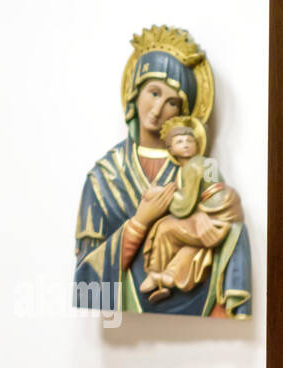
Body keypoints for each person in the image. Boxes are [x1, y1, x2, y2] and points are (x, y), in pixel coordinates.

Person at [72, 26, 252, 318]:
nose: (157, 109)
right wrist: (140, 222)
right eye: (153, 93)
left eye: (171, 102)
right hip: (128, 305)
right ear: (135, 92)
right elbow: (84, 281)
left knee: (236, 232)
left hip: (197, 296)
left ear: (184, 112)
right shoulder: (103, 178)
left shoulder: (194, 167)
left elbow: (226, 211)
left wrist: (213, 217)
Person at [138, 115, 245, 303]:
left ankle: (155, 271)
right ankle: (168, 277)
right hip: (218, 210)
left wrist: (161, 194)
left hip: (217, 213)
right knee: (191, 246)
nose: (186, 144)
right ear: (171, 149)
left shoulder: (197, 164)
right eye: (180, 141)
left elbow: (185, 206)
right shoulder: (199, 165)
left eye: (190, 140)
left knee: (165, 228)